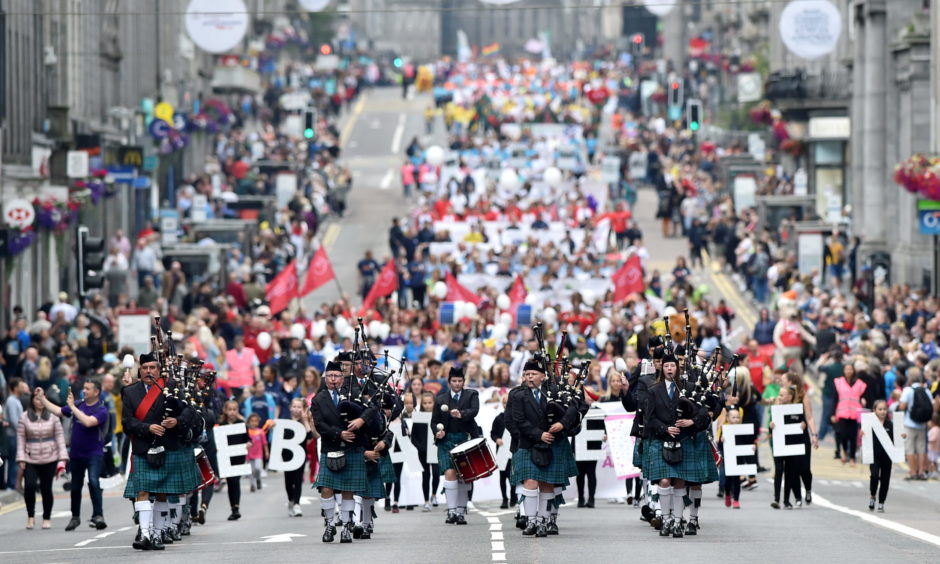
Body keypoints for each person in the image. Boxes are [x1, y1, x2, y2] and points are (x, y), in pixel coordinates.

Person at [121, 352, 201, 550]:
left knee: (162, 494)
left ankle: (157, 534)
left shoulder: (171, 387)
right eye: (145, 368)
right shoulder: (130, 392)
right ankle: (145, 534)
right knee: (142, 491)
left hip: (166, 446)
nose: (149, 372)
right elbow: (127, 422)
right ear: (140, 370)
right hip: (143, 446)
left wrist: (177, 422)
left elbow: (190, 411)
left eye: (153, 368)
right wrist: (146, 428)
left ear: (159, 369)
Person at [510, 359, 578, 538]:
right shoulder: (518, 395)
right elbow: (519, 420)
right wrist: (538, 434)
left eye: (533, 374)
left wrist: (562, 424)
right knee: (530, 482)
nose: (529, 377)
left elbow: (572, 408)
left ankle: (543, 521)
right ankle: (531, 520)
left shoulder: (554, 391)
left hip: (551, 444)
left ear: (542, 376)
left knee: (547, 483)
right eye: (526, 374)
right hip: (529, 444)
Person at [645, 352, 709, 538]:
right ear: (662, 369)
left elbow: (704, 414)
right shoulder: (654, 391)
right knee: (665, 481)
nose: (669, 369)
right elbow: (649, 419)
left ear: (677, 368)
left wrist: (692, 422)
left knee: (680, 481)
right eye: (666, 366)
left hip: (683, 441)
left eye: (672, 366)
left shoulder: (688, 388)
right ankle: (666, 519)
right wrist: (665, 429)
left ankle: (678, 521)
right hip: (662, 440)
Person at [311, 360, 373, 544]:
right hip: (331, 447)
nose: (333, 379)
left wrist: (361, 421)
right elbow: (319, 424)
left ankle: (346, 526)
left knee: (347, 489)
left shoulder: (354, 393)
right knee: (327, 488)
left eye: (337, 376)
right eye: (330, 376)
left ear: (343, 377)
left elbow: (371, 409)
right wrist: (339, 434)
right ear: (325, 377)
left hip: (352, 446)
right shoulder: (318, 399)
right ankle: (330, 524)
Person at [41, 379, 110, 531]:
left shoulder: (101, 410)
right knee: (75, 486)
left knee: (93, 482)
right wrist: (42, 399)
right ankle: (75, 517)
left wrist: (72, 407)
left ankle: (98, 515)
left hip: (94, 453)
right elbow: (59, 411)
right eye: (84, 388)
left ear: (96, 392)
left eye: (87, 389)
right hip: (77, 453)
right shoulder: (79, 404)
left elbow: (88, 422)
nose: (84, 391)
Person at [432, 365, 480, 525]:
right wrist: (438, 433)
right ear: (449, 382)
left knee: (464, 477)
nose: (457, 384)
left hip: (465, 439)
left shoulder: (471, 395)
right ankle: (451, 511)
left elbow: (474, 410)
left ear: (463, 381)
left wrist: (462, 414)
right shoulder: (440, 399)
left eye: (460, 381)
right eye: (454, 381)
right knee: (450, 473)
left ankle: (460, 512)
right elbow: (434, 422)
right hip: (446, 441)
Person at [16, 388, 68, 530]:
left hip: (49, 456)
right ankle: (30, 516)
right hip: (30, 457)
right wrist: (21, 458)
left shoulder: (53, 417)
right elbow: (21, 439)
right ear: (32, 400)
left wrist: (62, 457)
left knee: (46, 488)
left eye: (42, 399)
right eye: (37, 399)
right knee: (30, 486)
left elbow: (59, 437)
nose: (39, 402)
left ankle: (46, 517)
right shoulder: (24, 417)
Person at [769, 385, 804, 509]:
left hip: (791, 445)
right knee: (779, 471)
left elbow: (801, 423)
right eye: (779, 394)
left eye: (782, 395)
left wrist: (802, 425)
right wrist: (771, 425)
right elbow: (770, 427)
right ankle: (776, 498)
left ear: (790, 397)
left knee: (790, 472)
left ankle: (786, 500)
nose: (779, 397)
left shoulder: (796, 409)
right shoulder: (776, 409)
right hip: (778, 444)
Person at [284, 398, 316, 517]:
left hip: (300, 455)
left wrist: (305, 419)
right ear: (290, 408)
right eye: (294, 406)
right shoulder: (286, 422)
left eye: (299, 407)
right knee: (288, 482)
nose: (296, 409)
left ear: (303, 409)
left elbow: (310, 436)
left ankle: (297, 504)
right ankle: (291, 500)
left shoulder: (303, 423)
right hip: (287, 456)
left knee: (298, 480)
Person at [897, 369, 931, 480]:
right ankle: (921, 472)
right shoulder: (926, 390)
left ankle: (912, 472)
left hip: (909, 423)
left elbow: (902, 406)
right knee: (921, 449)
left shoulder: (908, 390)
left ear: (910, 378)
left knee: (910, 448)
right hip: (922, 424)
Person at [867, 400, 900, 512]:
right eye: (880, 409)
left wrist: (902, 436)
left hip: (887, 457)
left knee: (885, 480)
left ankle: (881, 502)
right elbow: (865, 438)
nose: (882, 412)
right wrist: (862, 434)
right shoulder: (870, 424)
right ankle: (872, 496)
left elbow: (897, 440)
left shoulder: (890, 425)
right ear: (874, 410)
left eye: (884, 409)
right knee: (874, 476)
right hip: (874, 456)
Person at [218, 400, 248, 521]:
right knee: (231, 482)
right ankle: (233, 508)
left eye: (234, 409)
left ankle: (236, 508)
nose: (232, 412)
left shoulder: (241, 423)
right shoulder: (222, 425)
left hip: (239, 457)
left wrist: (249, 443)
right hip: (226, 457)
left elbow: (247, 438)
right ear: (225, 411)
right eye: (229, 409)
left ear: (237, 411)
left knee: (235, 481)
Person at [833, 363, 867, 466]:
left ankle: (852, 458)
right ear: (843, 370)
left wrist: (864, 401)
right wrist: (832, 413)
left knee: (853, 436)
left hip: (855, 413)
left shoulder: (860, 383)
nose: (848, 371)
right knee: (843, 435)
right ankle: (844, 451)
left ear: (853, 371)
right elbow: (835, 398)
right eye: (846, 369)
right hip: (842, 412)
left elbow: (864, 396)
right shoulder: (838, 382)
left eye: (850, 369)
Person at [411, 391, 439, 511]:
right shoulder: (419, 417)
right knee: (426, 475)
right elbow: (414, 437)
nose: (428, 405)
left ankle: (433, 495)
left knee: (437, 474)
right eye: (425, 403)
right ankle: (426, 501)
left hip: (436, 449)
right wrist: (420, 447)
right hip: (423, 451)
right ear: (422, 404)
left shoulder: (438, 417)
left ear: (434, 403)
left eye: (430, 403)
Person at [490, 393, 516, 509]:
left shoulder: (516, 417)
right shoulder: (498, 418)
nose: (507, 404)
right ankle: (504, 498)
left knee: (512, 476)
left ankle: (513, 496)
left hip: (512, 451)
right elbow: (493, 433)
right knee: (502, 476)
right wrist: (496, 439)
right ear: (502, 404)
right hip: (501, 451)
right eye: (505, 402)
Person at [4, 377, 28, 490]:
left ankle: (13, 483)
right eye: (20, 386)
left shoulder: (16, 400)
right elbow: (14, 420)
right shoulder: (11, 401)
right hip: (13, 435)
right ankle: (11, 484)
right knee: (14, 460)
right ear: (15, 388)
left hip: (16, 435)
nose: (23, 387)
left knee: (16, 460)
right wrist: (22, 432)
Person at [246, 413, 268, 492]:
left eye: (255, 421)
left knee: (258, 468)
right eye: (252, 421)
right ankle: (252, 485)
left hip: (258, 454)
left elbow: (265, 443)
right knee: (250, 471)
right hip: (248, 455)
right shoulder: (247, 432)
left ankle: (258, 478)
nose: (254, 423)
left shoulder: (260, 431)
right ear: (249, 422)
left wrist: (266, 452)